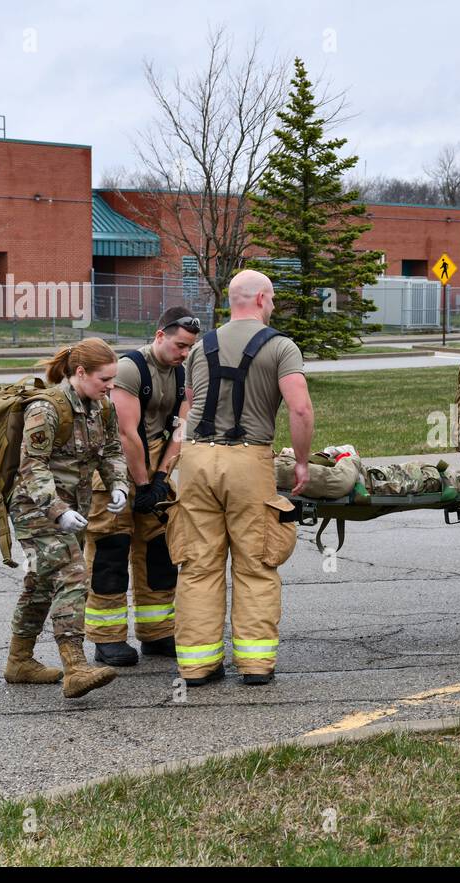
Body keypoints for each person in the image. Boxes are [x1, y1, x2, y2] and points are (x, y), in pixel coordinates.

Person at [168, 269, 314, 687]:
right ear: (264, 299)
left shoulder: (200, 348)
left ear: (232, 301)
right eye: (272, 300)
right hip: (248, 460)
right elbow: (300, 409)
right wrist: (301, 462)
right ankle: (254, 664)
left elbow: (190, 405)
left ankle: (197, 666)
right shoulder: (281, 347)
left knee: (197, 565)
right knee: (255, 562)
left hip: (196, 459)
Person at [5, 337, 128, 698]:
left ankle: (19, 661)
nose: (111, 386)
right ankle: (76, 668)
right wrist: (57, 512)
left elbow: (111, 449)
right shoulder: (46, 409)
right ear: (80, 373)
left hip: (75, 508)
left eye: (112, 379)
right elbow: (32, 466)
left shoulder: (102, 406)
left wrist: (117, 484)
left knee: (42, 582)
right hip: (35, 508)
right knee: (73, 573)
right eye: (104, 379)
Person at [83, 307, 199, 666]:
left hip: (157, 463)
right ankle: (107, 639)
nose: (184, 353)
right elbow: (125, 433)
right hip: (116, 467)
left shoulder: (183, 374)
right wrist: (142, 482)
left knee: (158, 552)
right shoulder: (132, 368)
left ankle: (157, 632)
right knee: (111, 552)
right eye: (179, 345)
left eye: (189, 348)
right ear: (160, 335)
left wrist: (162, 479)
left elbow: (181, 427)